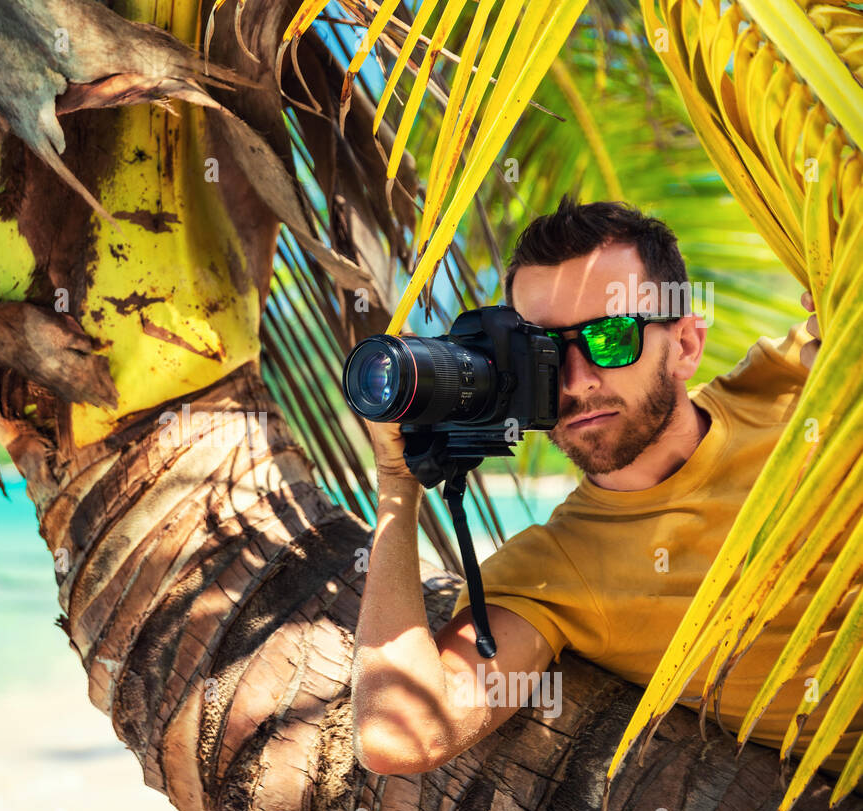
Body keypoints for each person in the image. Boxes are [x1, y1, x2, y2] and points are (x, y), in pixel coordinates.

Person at [350, 196, 861, 781]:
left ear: (686, 346)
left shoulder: (802, 376)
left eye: (612, 338)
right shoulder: (554, 572)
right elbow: (397, 737)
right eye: (543, 351)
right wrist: (396, 485)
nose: (577, 380)